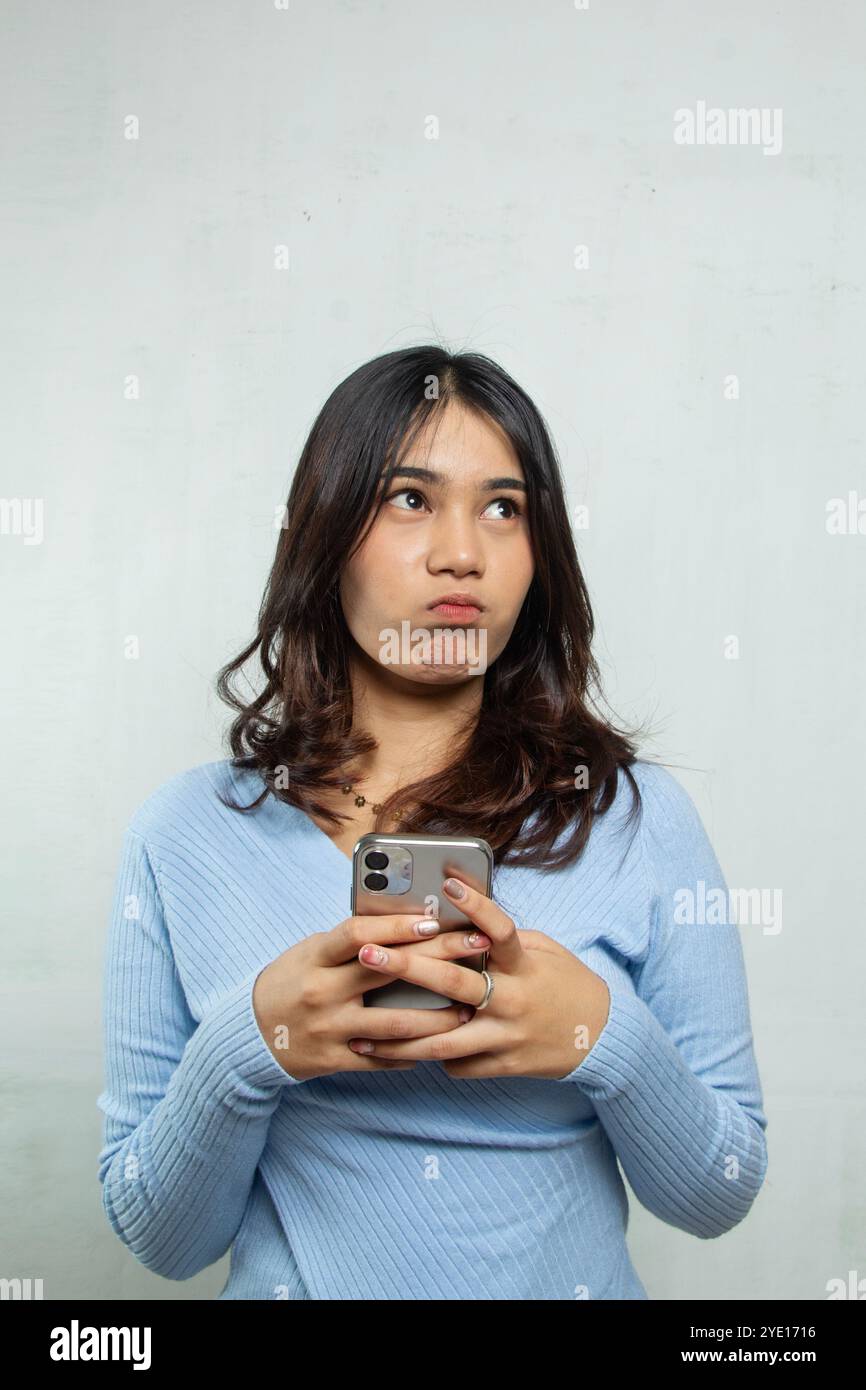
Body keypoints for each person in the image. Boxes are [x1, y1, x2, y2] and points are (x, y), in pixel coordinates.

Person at [97, 346, 768, 1299]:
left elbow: (718, 1193)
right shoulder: (182, 836)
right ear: (324, 532)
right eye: (411, 498)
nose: (463, 552)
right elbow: (163, 1241)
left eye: (505, 507)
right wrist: (253, 1045)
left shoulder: (638, 820)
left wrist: (601, 1038)